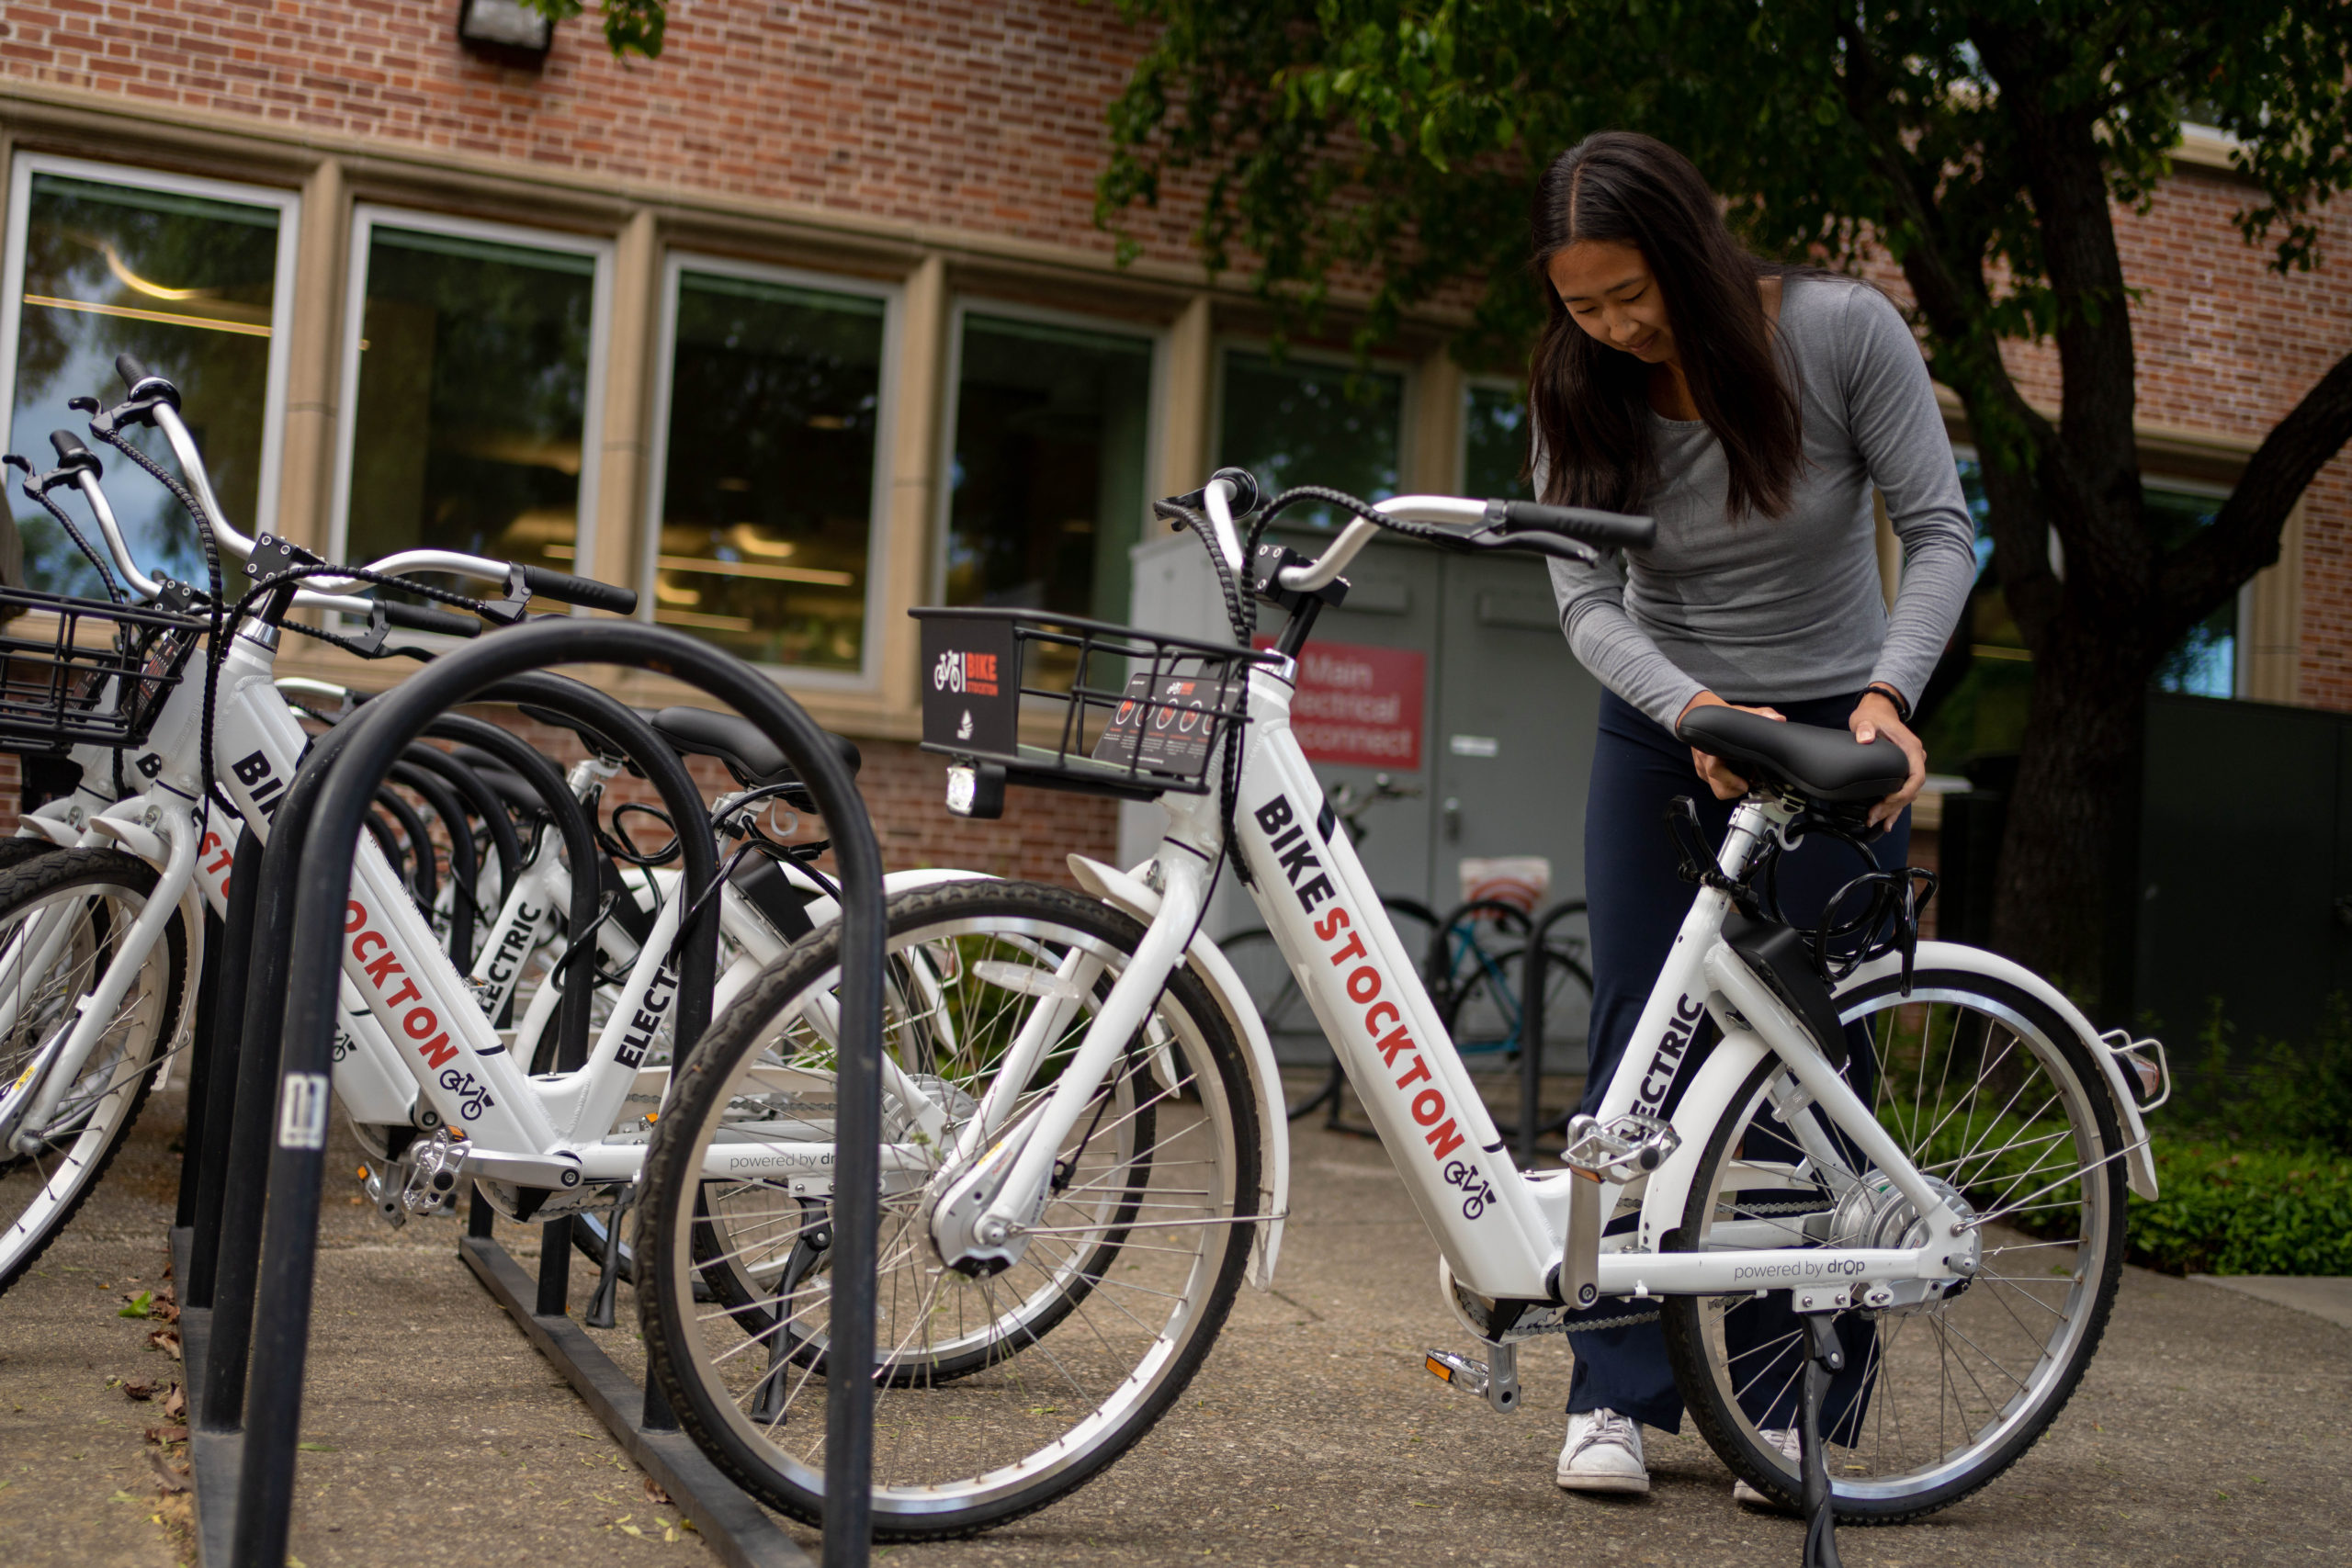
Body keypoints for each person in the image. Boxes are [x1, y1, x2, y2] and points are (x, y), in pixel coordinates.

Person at [1530, 131, 1975, 1500]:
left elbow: (1941, 527)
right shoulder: (1575, 389)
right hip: (1666, 717)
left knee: (1809, 1052)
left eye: (1631, 294)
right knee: (1639, 1037)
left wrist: (1893, 700)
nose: (1613, 326)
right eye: (1584, 305)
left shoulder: (1839, 334)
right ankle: (1616, 1390)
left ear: (1690, 245)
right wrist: (1691, 715)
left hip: (1841, 720)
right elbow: (1585, 604)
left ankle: (1792, 1399)